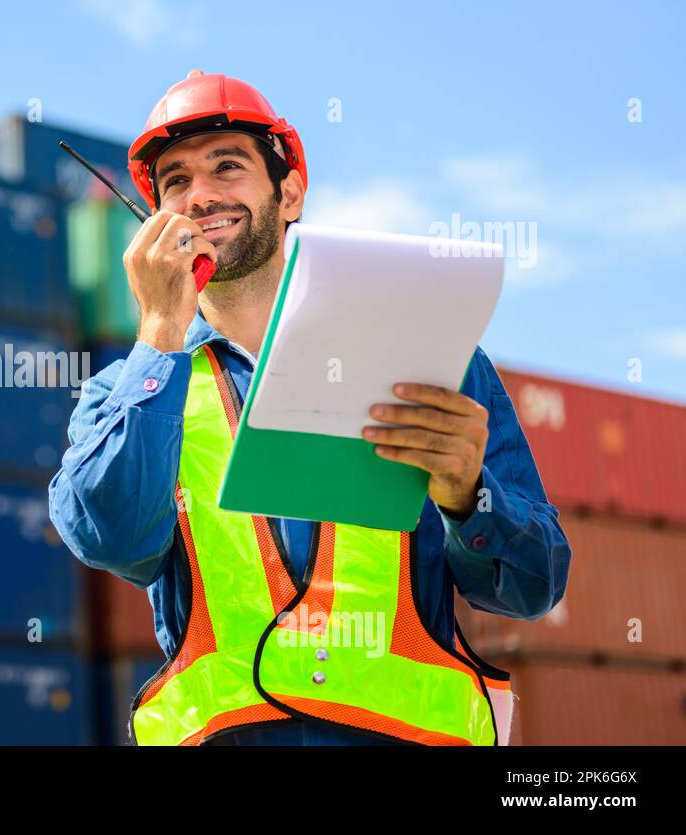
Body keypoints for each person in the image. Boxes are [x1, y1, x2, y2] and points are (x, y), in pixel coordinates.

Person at [48, 70, 572, 746]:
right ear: (154, 218)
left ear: (289, 192)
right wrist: (158, 335)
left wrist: (470, 497)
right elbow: (112, 537)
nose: (200, 193)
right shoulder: (127, 392)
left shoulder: (432, 358)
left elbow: (534, 586)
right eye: (175, 181)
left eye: (227, 167)